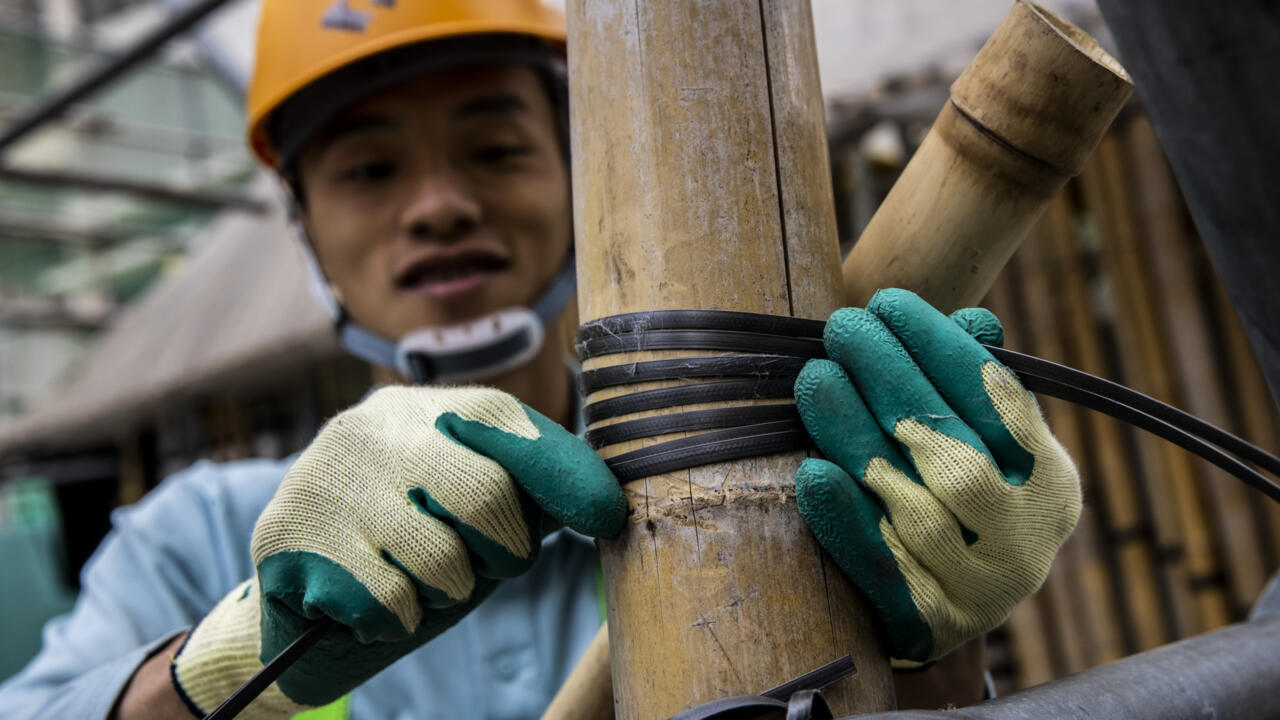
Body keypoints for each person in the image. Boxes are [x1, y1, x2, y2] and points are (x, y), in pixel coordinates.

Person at [0, 2, 1082, 718]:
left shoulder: (773, 485)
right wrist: (221, 664)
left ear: (578, 173)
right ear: (306, 230)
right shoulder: (193, 538)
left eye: (495, 147)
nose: (439, 206)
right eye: (369, 169)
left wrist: (944, 667)